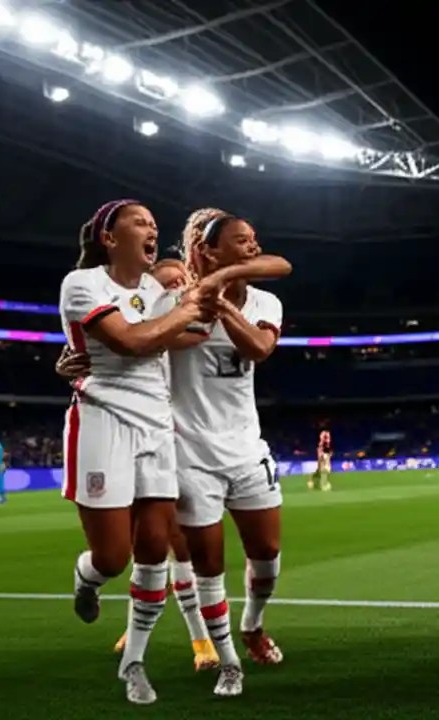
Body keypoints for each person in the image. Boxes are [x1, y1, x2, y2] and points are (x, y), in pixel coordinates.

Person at [59, 199, 219, 704]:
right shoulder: (82, 283)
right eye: (140, 223)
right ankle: (87, 579)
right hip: (104, 420)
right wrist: (184, 312)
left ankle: (134, 664)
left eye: (155, 223)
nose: (153, 230)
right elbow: (129, 342)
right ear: (110, 237)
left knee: (155, 546)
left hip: (156, 425)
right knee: (113, 556)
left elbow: (191, 335)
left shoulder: (155, 290)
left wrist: (196, 301)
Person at [169, 207, 291, 697]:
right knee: (208, 566)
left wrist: (220, 298)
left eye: (253, 237)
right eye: (241, 240)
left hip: (245, 449)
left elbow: (259, 349)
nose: (253, 245)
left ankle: (253, 623)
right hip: (190, 453)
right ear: (207, 250)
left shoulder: (265, 301)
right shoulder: (173, 301)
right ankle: (228, 660)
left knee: (267, 554)